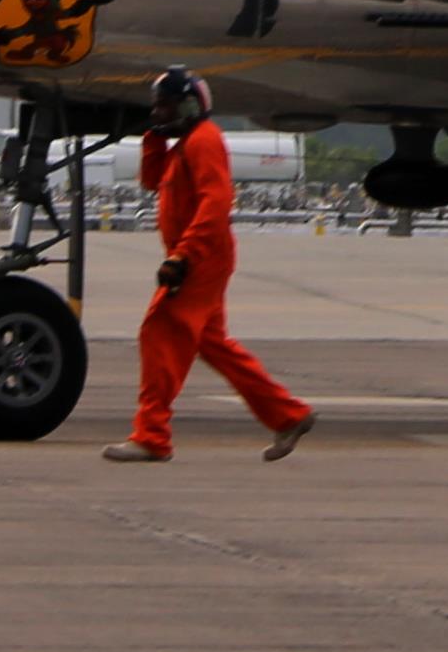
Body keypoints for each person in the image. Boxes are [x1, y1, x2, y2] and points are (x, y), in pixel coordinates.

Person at [112, 67, 312, 465]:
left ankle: (151, 435)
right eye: (156, 107)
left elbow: (215, 203)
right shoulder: (182, 144)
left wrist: (182, 256)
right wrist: (153, 137)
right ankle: (288, 415)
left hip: (199, 258)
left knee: (159, 332)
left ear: (188, 106)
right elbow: (153, 182)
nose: (158, 113)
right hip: (201, 256)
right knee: (213, 344)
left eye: (165, 107)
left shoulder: (204, 141)